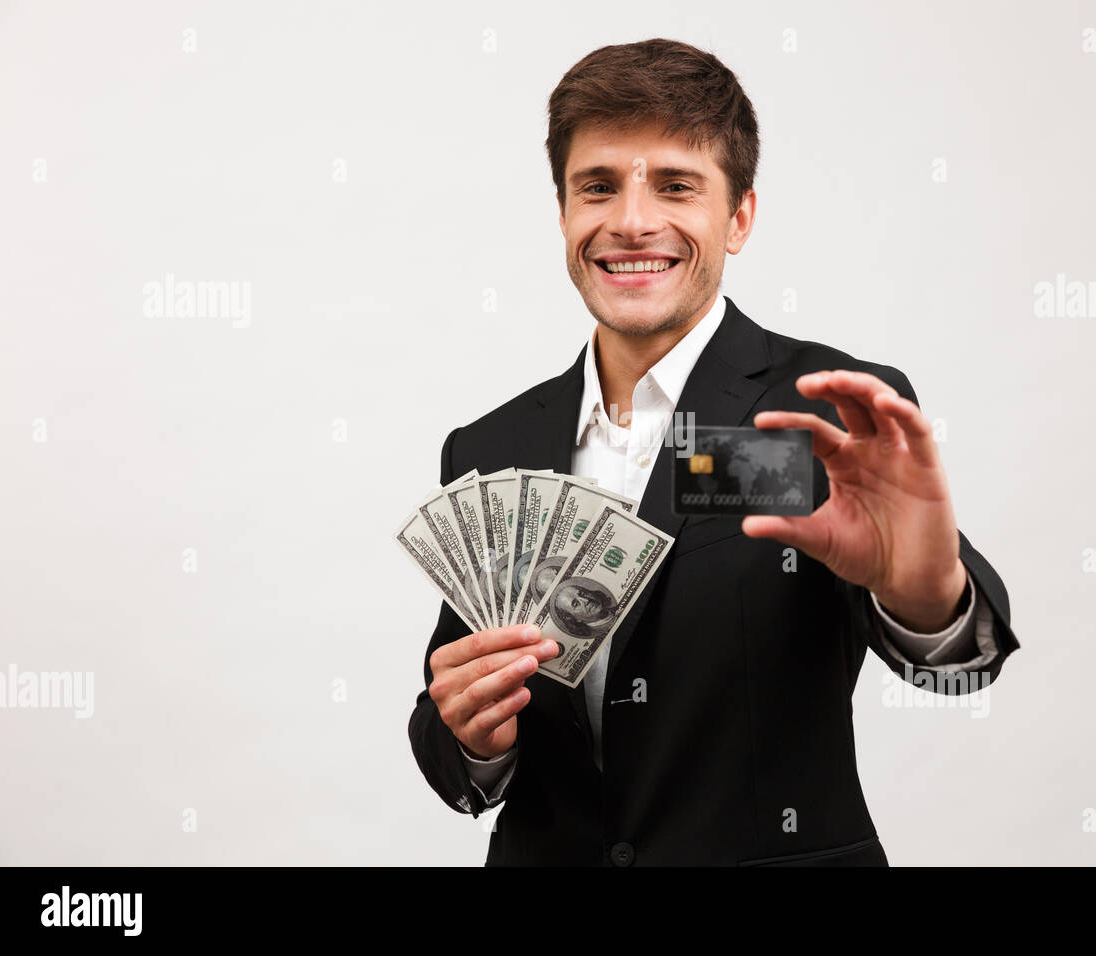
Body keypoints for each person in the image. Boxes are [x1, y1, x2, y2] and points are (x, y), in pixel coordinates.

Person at [408, 37, 1020, 866]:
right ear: (562, 216)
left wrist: (924, 594)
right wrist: (472, 736)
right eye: (598, 187)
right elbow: (461, 747)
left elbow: (961, 671)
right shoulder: (492, 446)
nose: (630, 221)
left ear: (738, 219)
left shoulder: (819, 411)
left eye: (675, 186)